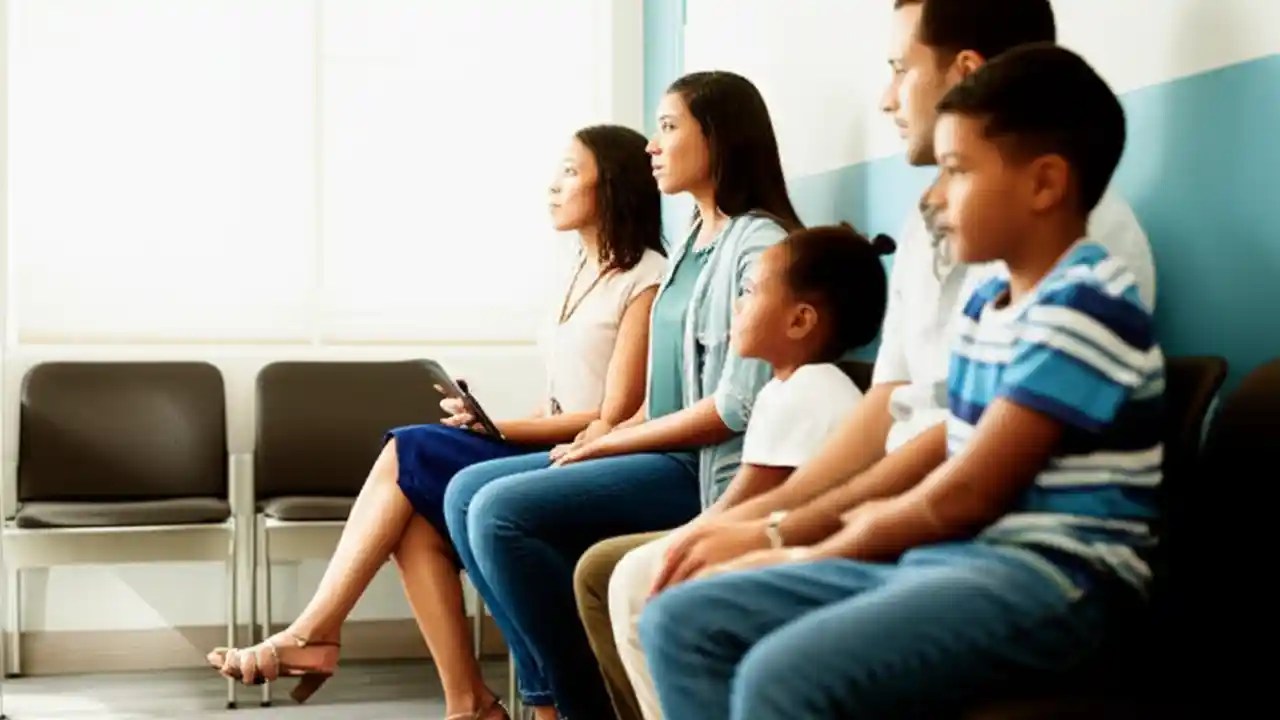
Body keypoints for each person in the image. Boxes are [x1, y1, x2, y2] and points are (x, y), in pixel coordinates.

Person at [641, 42, 1167, 719]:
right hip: (961, 560)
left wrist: (797, 547)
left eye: (955, 171)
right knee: (683, 622)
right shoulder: (985, 307)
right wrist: (802, 536)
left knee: (781, 677)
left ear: (1044, 184)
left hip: (1058, 580)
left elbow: (968, 492)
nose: (935, 197)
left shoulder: (1087, 302)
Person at [206, 123, 666, 720]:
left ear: (616, 186)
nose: (553, 186)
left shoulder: (647, 279)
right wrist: (489, 423)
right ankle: (467, 703)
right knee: (416, 523)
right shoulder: (573, 274)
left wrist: (492, 430)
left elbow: (613, 414)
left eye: (571, 171)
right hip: (552, 445)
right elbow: (558, 404)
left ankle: (314, 632)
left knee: (410, 450)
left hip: (597, 459)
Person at [440, 70, 802, 720]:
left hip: (704, 470)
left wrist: (614, 438)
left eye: (668, 128)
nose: (651, 148)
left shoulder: (761, 244)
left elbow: (733, 407)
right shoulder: (695, 239)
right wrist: (604, 434)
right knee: (464, 491)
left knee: (498, 510)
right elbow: (659, 393)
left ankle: (584, 708)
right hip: (660, 452)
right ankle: (550, 695)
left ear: (716, 138)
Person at [575, 224, 893, 720]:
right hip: (774, 532)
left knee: (632, 574)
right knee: (612, 569)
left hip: (800, 544)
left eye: (748, 292)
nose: (735, 306)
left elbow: (745, 504)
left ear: (799, 321)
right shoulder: (783, 389)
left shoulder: (814, 389)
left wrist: (686, 543)